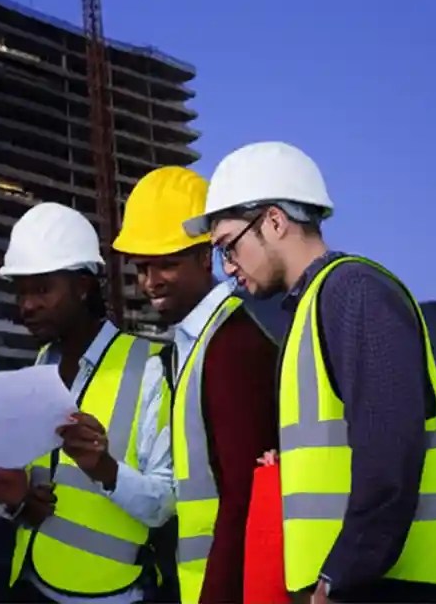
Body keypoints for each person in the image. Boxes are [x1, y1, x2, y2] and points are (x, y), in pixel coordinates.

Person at [185, 141, 436, 603]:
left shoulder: (354, 293)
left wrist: (338, 576)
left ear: (274, 221)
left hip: (392, 588)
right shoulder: (312, 307)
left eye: (229, 247)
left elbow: (390, 449)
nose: (228, 268)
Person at [0, 201, 173, 604]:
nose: (27, 306)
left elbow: (163, 505)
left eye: (42, 289)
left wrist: (106, 469)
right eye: (22, 292)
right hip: (29, 585)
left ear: (82, 287)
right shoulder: (42, 365)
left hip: (111, 593)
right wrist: (19, 501)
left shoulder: (148, 367)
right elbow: (33, 486)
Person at [111, 166, 280, 603]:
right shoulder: (195, 343)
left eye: (166, 264)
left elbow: (243, 495)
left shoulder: (232, 344)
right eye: (142, 267)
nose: (150, 281)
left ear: (207, 257)